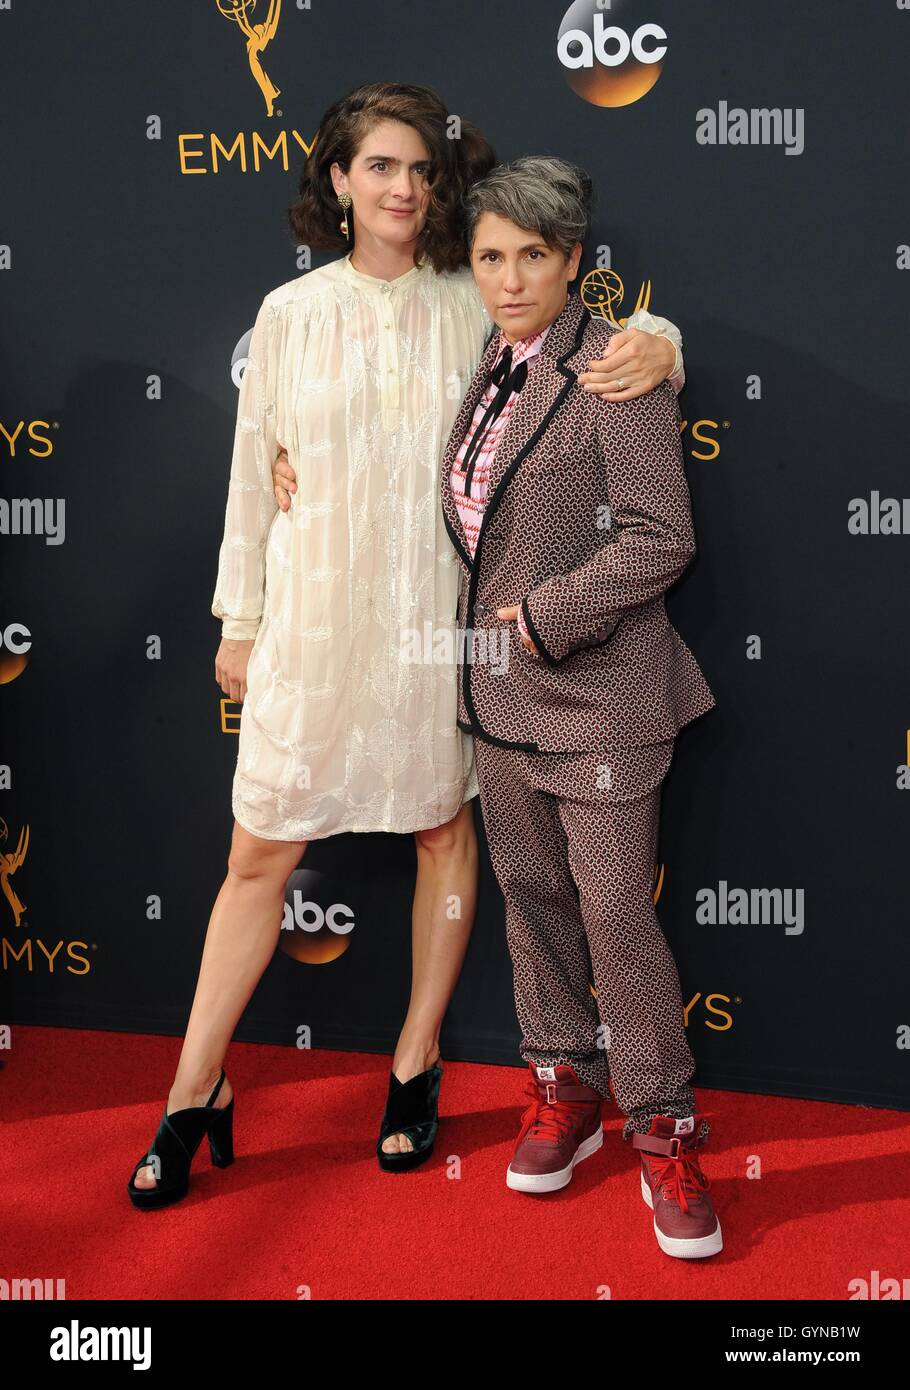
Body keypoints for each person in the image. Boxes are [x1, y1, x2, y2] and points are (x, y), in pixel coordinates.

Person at [126, 82, 684, 1209]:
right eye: (379, 167)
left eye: (421, 172)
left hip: (443, 626)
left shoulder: (471, 298)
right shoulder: (289, 317)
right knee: (256, 853)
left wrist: (660, 345)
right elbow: (254, 476)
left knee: (443, 831)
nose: (404, 189)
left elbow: (583, 341)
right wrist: (241, 621)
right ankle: (194, 1090)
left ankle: (415, 1059)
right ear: (336, 178)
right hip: (315, 620)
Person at [435, 155, 722, 1260]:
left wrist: (547, 616)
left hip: (598, 693)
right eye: (489, 257)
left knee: (614, 913)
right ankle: (566, 1087)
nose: (509, 279)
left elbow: (662, 537)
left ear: (572, 262)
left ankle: (663, 1127)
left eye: (532, 257)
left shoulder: (614, 366)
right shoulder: (483, 364)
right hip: (496, 697)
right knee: (530, 894)